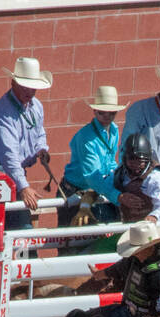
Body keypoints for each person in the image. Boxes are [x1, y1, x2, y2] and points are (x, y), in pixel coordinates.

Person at [0, 57, 53, 231]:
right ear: (13, 83)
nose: (30, 91)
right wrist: (23, 187)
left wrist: (41, 149)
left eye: (32, 87)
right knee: (18, 225)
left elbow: (39, 132)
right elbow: (8, 154)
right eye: (25, 86)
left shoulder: (36, 107)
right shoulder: (2, 112)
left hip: (14, 171)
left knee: (17, 224)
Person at [60, 86, 124, 226]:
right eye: (102, 112)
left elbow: (111, 163)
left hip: (96, 189)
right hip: (74, 190)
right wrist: (117, 197)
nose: (107, 117)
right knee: (70, 239)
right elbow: (92, 176)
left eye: (112, 113)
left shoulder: (114, 130)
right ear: (95, 111)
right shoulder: (85, 137)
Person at [113, 132, 160, 223]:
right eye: (131, 160)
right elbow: (103, 186)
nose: (135, 165)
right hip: (127, 228)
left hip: (153, 231)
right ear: (125, 159)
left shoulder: (156, 179)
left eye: (140, 161)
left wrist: (153, 217)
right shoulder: (119, 174)